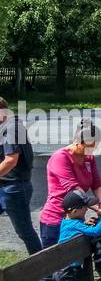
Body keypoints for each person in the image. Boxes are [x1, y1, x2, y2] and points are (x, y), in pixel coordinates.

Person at [34, 119, 101, 281]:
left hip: (76, 218)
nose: (93, 151)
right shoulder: (60, 158)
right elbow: (74, 189)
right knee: (50, 271)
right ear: (78, 142)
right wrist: (97, 209)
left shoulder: (89, 158)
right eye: (90, 147)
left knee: (77, 267)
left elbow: (96, 183)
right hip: (54, 220)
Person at [0, 98, 40, 255]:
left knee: (25, 232)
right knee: (25, 231)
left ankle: (45, 276)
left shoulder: (11, 128)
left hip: (13, 188)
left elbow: (11, 160)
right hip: (6, 186)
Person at [54, 190, 101, 281]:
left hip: (72, 269)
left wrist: (84, 224)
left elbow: (76, 229)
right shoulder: (74, 224)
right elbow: (95, 232)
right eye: (84, 207)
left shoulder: (68, 221)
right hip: (66, 273)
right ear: (74, 211)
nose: (87, 209)